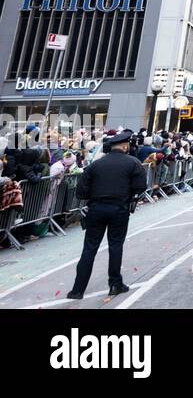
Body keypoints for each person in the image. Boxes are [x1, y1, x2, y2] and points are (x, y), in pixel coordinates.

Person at [67, 128, 147, 300]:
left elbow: (81, 191)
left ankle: (78, 290)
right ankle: (115, 284)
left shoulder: (95, 165)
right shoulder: (133, 163)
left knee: (89, 249)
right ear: (125, 146)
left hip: (96, 209)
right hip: (119, 208)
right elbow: (141, 187)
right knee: (115, 246)